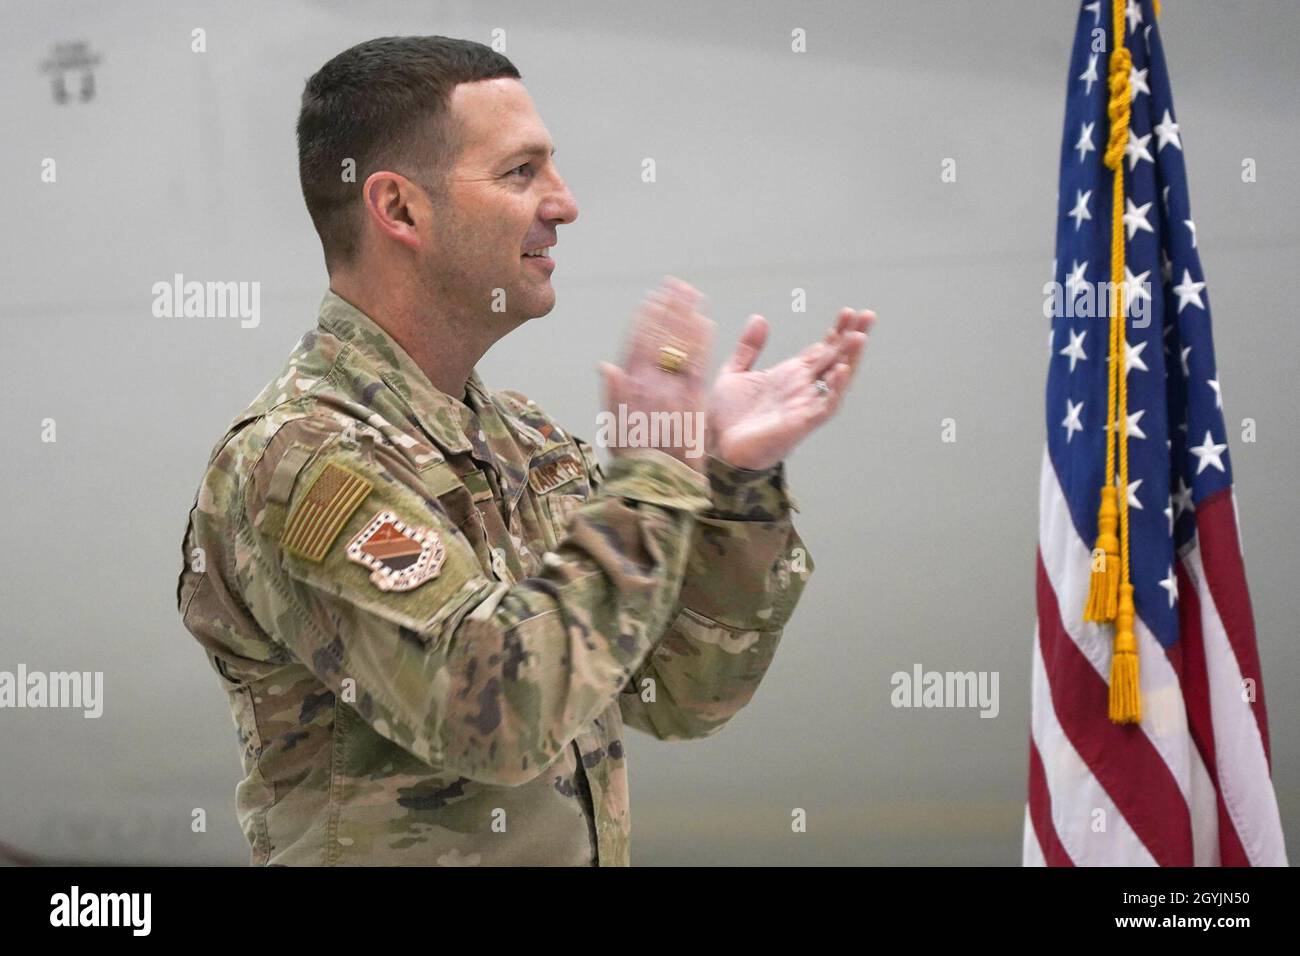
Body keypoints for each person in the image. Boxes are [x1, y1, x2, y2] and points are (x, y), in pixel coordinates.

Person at [175, 35, 875, 866]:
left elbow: (682, 692)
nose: (564, 203)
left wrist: (726, 478)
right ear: (399, 210)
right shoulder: (302, 463)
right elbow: (500, 715)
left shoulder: (521, 440)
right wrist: (653, 475)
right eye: (520, 172)